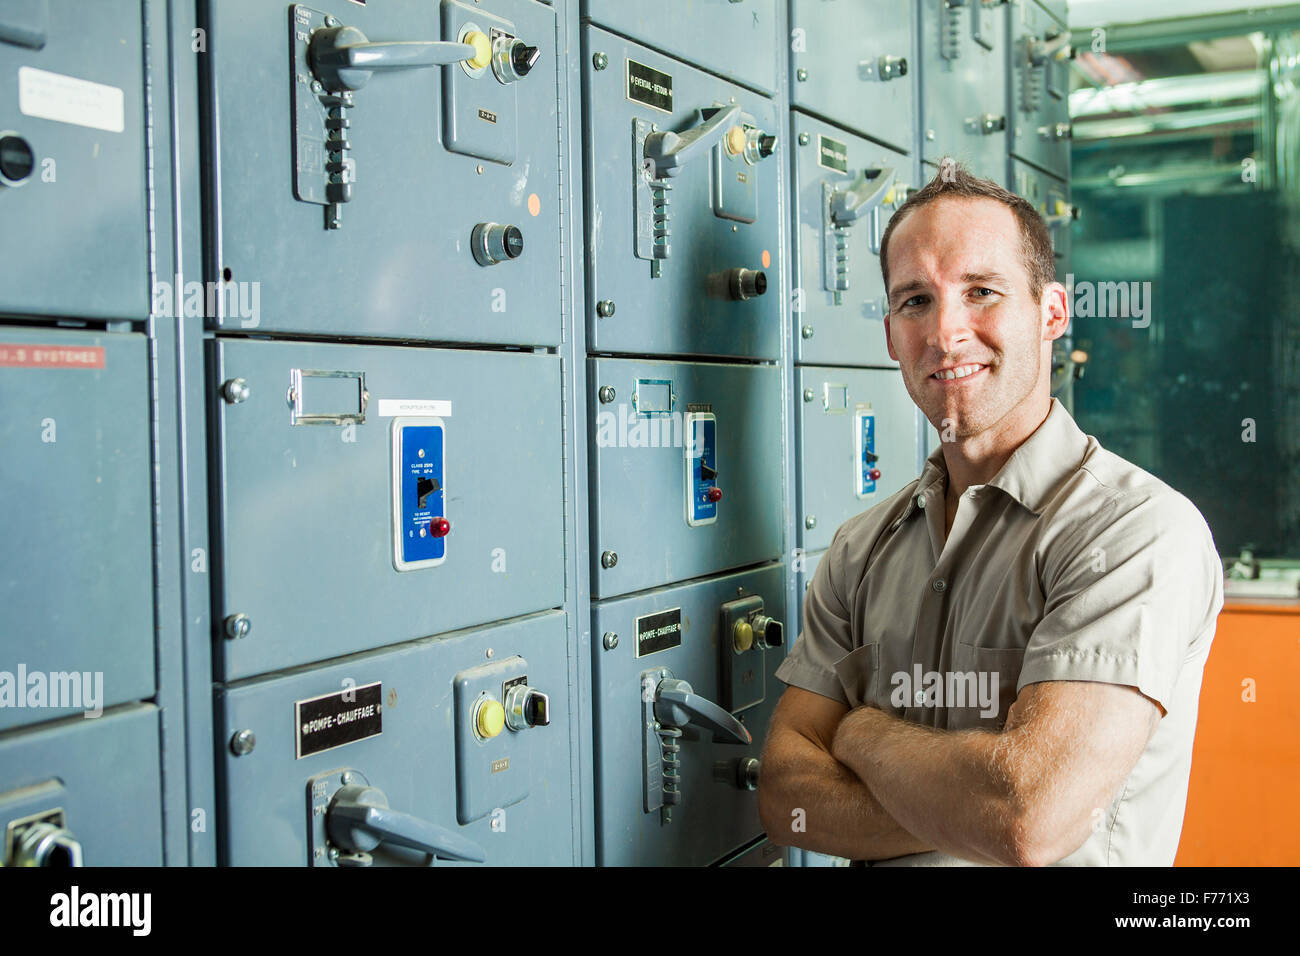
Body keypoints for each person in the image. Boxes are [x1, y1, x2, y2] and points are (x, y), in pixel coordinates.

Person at [757, 162, 1223, 866]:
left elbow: (1027, 817)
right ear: (890, 338)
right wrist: (965, 795)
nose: (946, 331)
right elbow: (785, 799)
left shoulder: (1135, 532)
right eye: (916, 301)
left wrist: (860, 735)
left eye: (982, 292)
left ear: (1052, 313)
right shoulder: (859, 550)